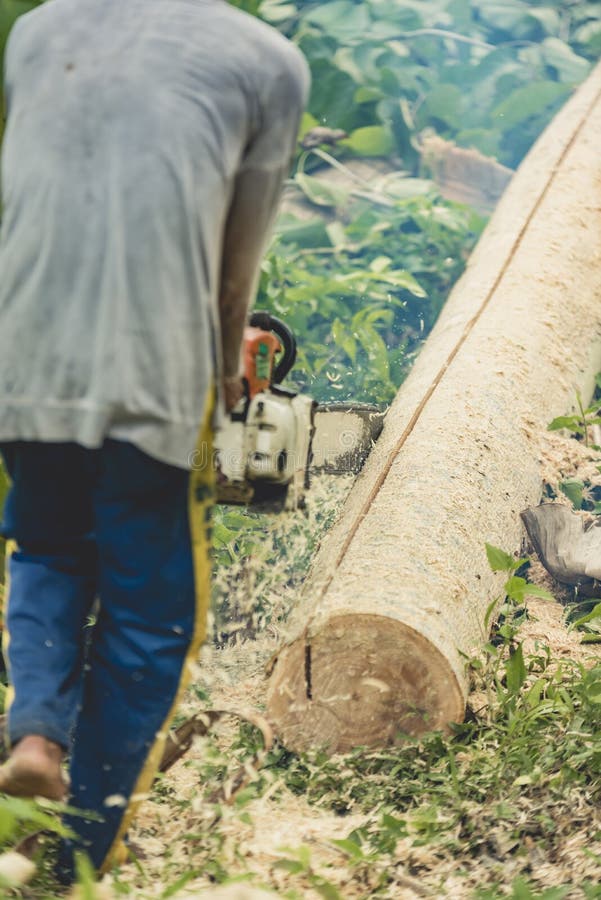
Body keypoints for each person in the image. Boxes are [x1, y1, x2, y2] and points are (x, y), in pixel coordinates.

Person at [0, 0, 308, 881]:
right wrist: (228, 368)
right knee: (150, 616)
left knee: (49, 549)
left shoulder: (38, 31)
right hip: (147, 371)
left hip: (23, 354)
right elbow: (233, 267)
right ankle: (78, 855)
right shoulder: (266, 62)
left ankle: (36, 739)